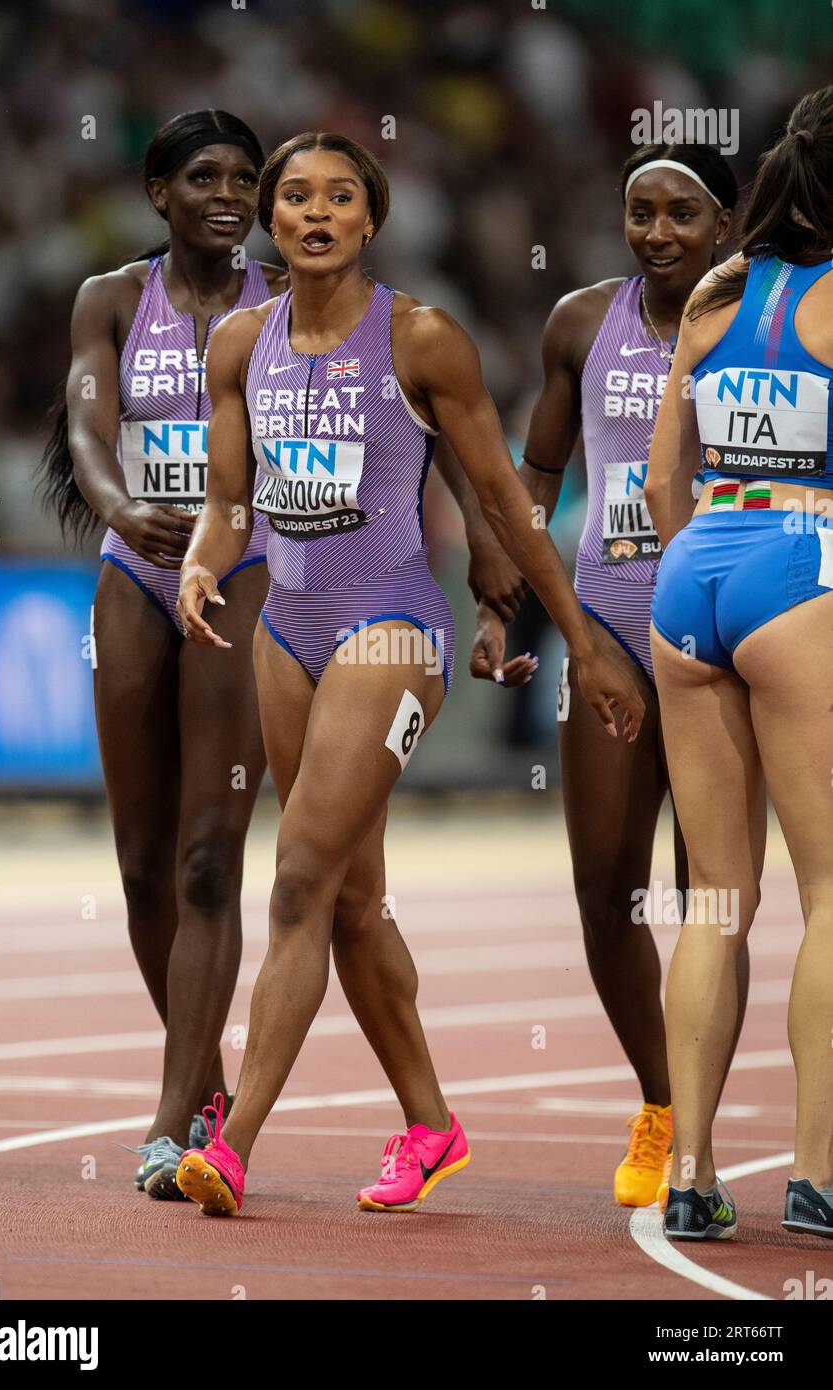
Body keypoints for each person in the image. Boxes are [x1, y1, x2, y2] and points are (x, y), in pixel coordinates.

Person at [174, 131, 645, 1218]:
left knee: (295, 879)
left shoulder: (424, 340)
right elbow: (228, 501)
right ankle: (431, 1123)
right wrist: (204, 561)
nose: (316, 212)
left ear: (371, 220)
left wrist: (575, 634)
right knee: (350, 902)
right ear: (271, 220)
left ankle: (232, 1143)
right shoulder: (239, 344)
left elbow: (503, 500)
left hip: (388, 624)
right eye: (295, 197)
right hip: (283, 626)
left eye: (340, 195)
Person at [471, 144, 744, 1209]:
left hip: (720, 633)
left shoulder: (759, 325)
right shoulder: (580, 322)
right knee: (602, 886)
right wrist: (504, 597)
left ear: (725, 224)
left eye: (682, 213)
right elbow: (536, 475)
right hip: (610, 631)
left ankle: (702, 1139)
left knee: (707, 897)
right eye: (640, 212)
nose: (658, 232)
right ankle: (661, 1102)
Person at [40, 109, 286, 1198]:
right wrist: (117, 505)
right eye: (204, 176)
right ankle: (207, 1089)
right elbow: (89, 423)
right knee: (141, 866)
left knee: (205, 861)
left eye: (246, 177)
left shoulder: (286, 300)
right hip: (136, 571)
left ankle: (170, 1118)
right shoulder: (113, 299)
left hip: (250, 574)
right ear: (159, 194)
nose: (229, 193)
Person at [646, 87, 833, 1241]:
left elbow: (665, 480)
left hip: (693, 574)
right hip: (800, 562)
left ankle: (690, 1175)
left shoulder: (714, 294)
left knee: (714, 898)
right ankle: (816, 1171)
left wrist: (694, 582)